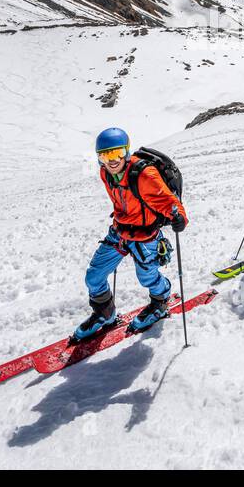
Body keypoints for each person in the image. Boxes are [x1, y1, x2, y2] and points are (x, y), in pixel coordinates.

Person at [74, 127, 188, 340]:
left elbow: (170, 204)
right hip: (119, 232)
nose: (112, 160)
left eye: (117, 153)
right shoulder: (105, 174)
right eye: (105, 155)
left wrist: (178, 217)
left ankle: (160, 302)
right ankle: (104, 314)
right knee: (94, 276)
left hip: (145, 237)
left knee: (147, 278)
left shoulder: (144, 175)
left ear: (126, 152)